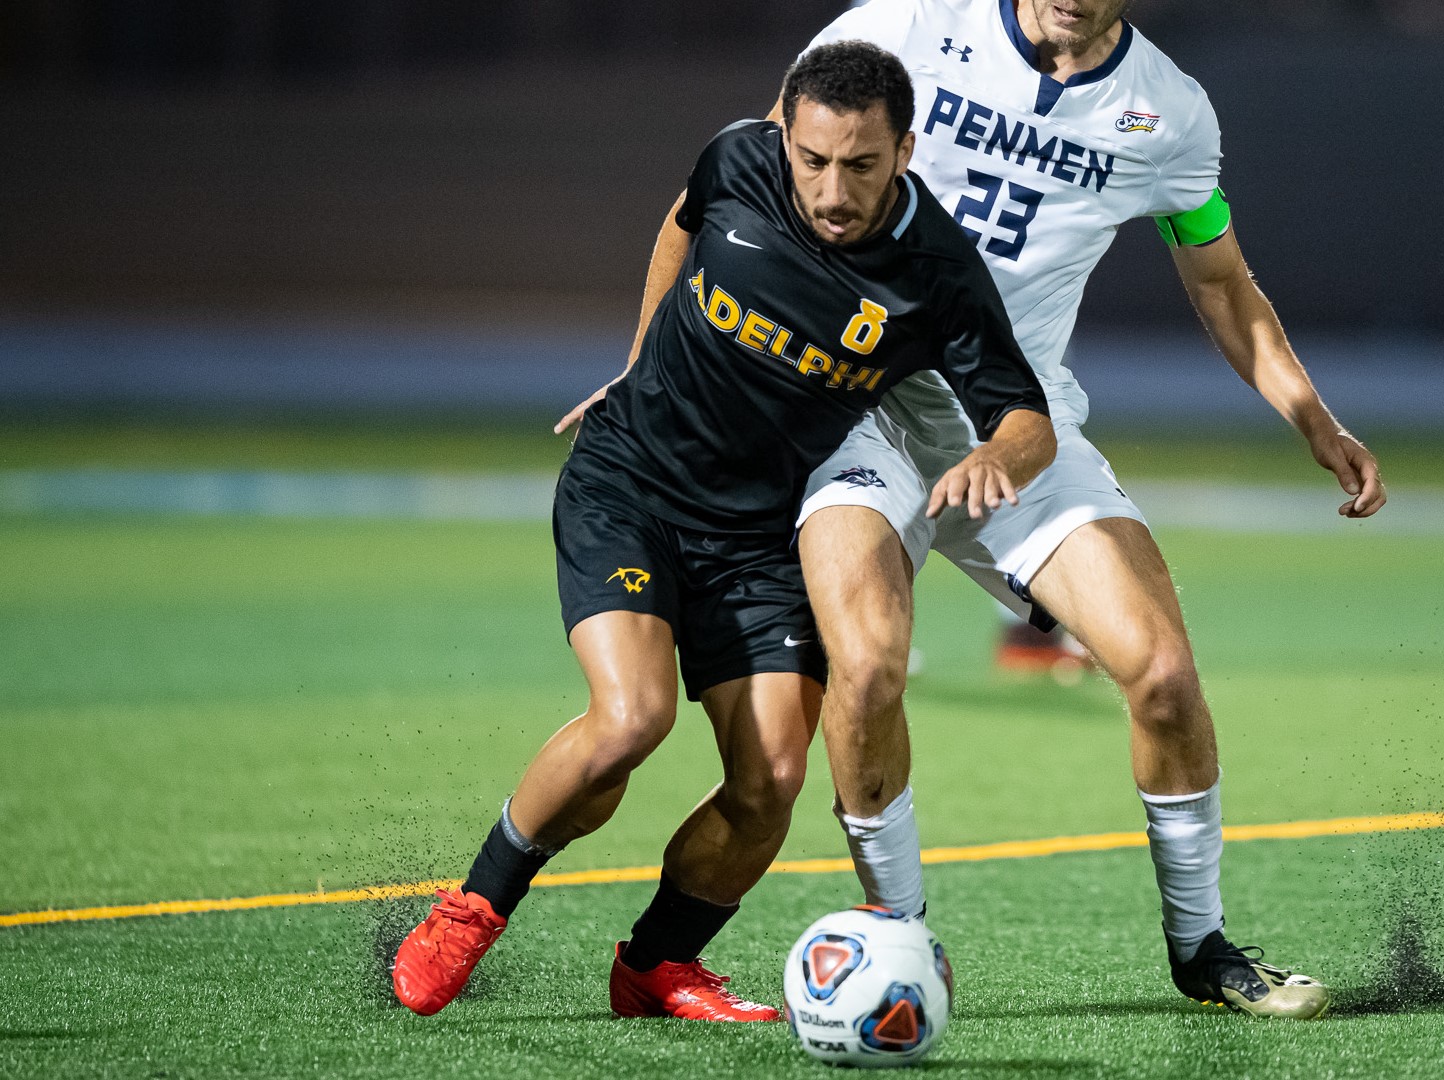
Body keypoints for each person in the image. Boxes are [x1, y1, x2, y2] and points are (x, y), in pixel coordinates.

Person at [563, 0, 1384, 1020]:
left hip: (1017, 427)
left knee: (1164, 677)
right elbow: (742, 192)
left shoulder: (1167, 115)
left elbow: (1220, 281)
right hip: (852, 414)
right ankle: (900, 935)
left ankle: (1201, 947)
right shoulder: (898, 30)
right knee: (864, 667)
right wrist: (650, 365)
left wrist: (1311, 418)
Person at [393, 40, 1055, 1021]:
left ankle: (655, 967)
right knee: (629, 723)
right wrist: (634, 355)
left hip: (756, 543)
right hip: (631, 488)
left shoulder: (936, 275)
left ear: (904, 152)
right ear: (783, 136)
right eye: (813, 160)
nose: (832, 190)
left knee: (773, 778)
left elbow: (1027, 416)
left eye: (861, 166)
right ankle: (474, 904)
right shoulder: (737, 158)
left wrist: (999, 458)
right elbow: (681, 219)